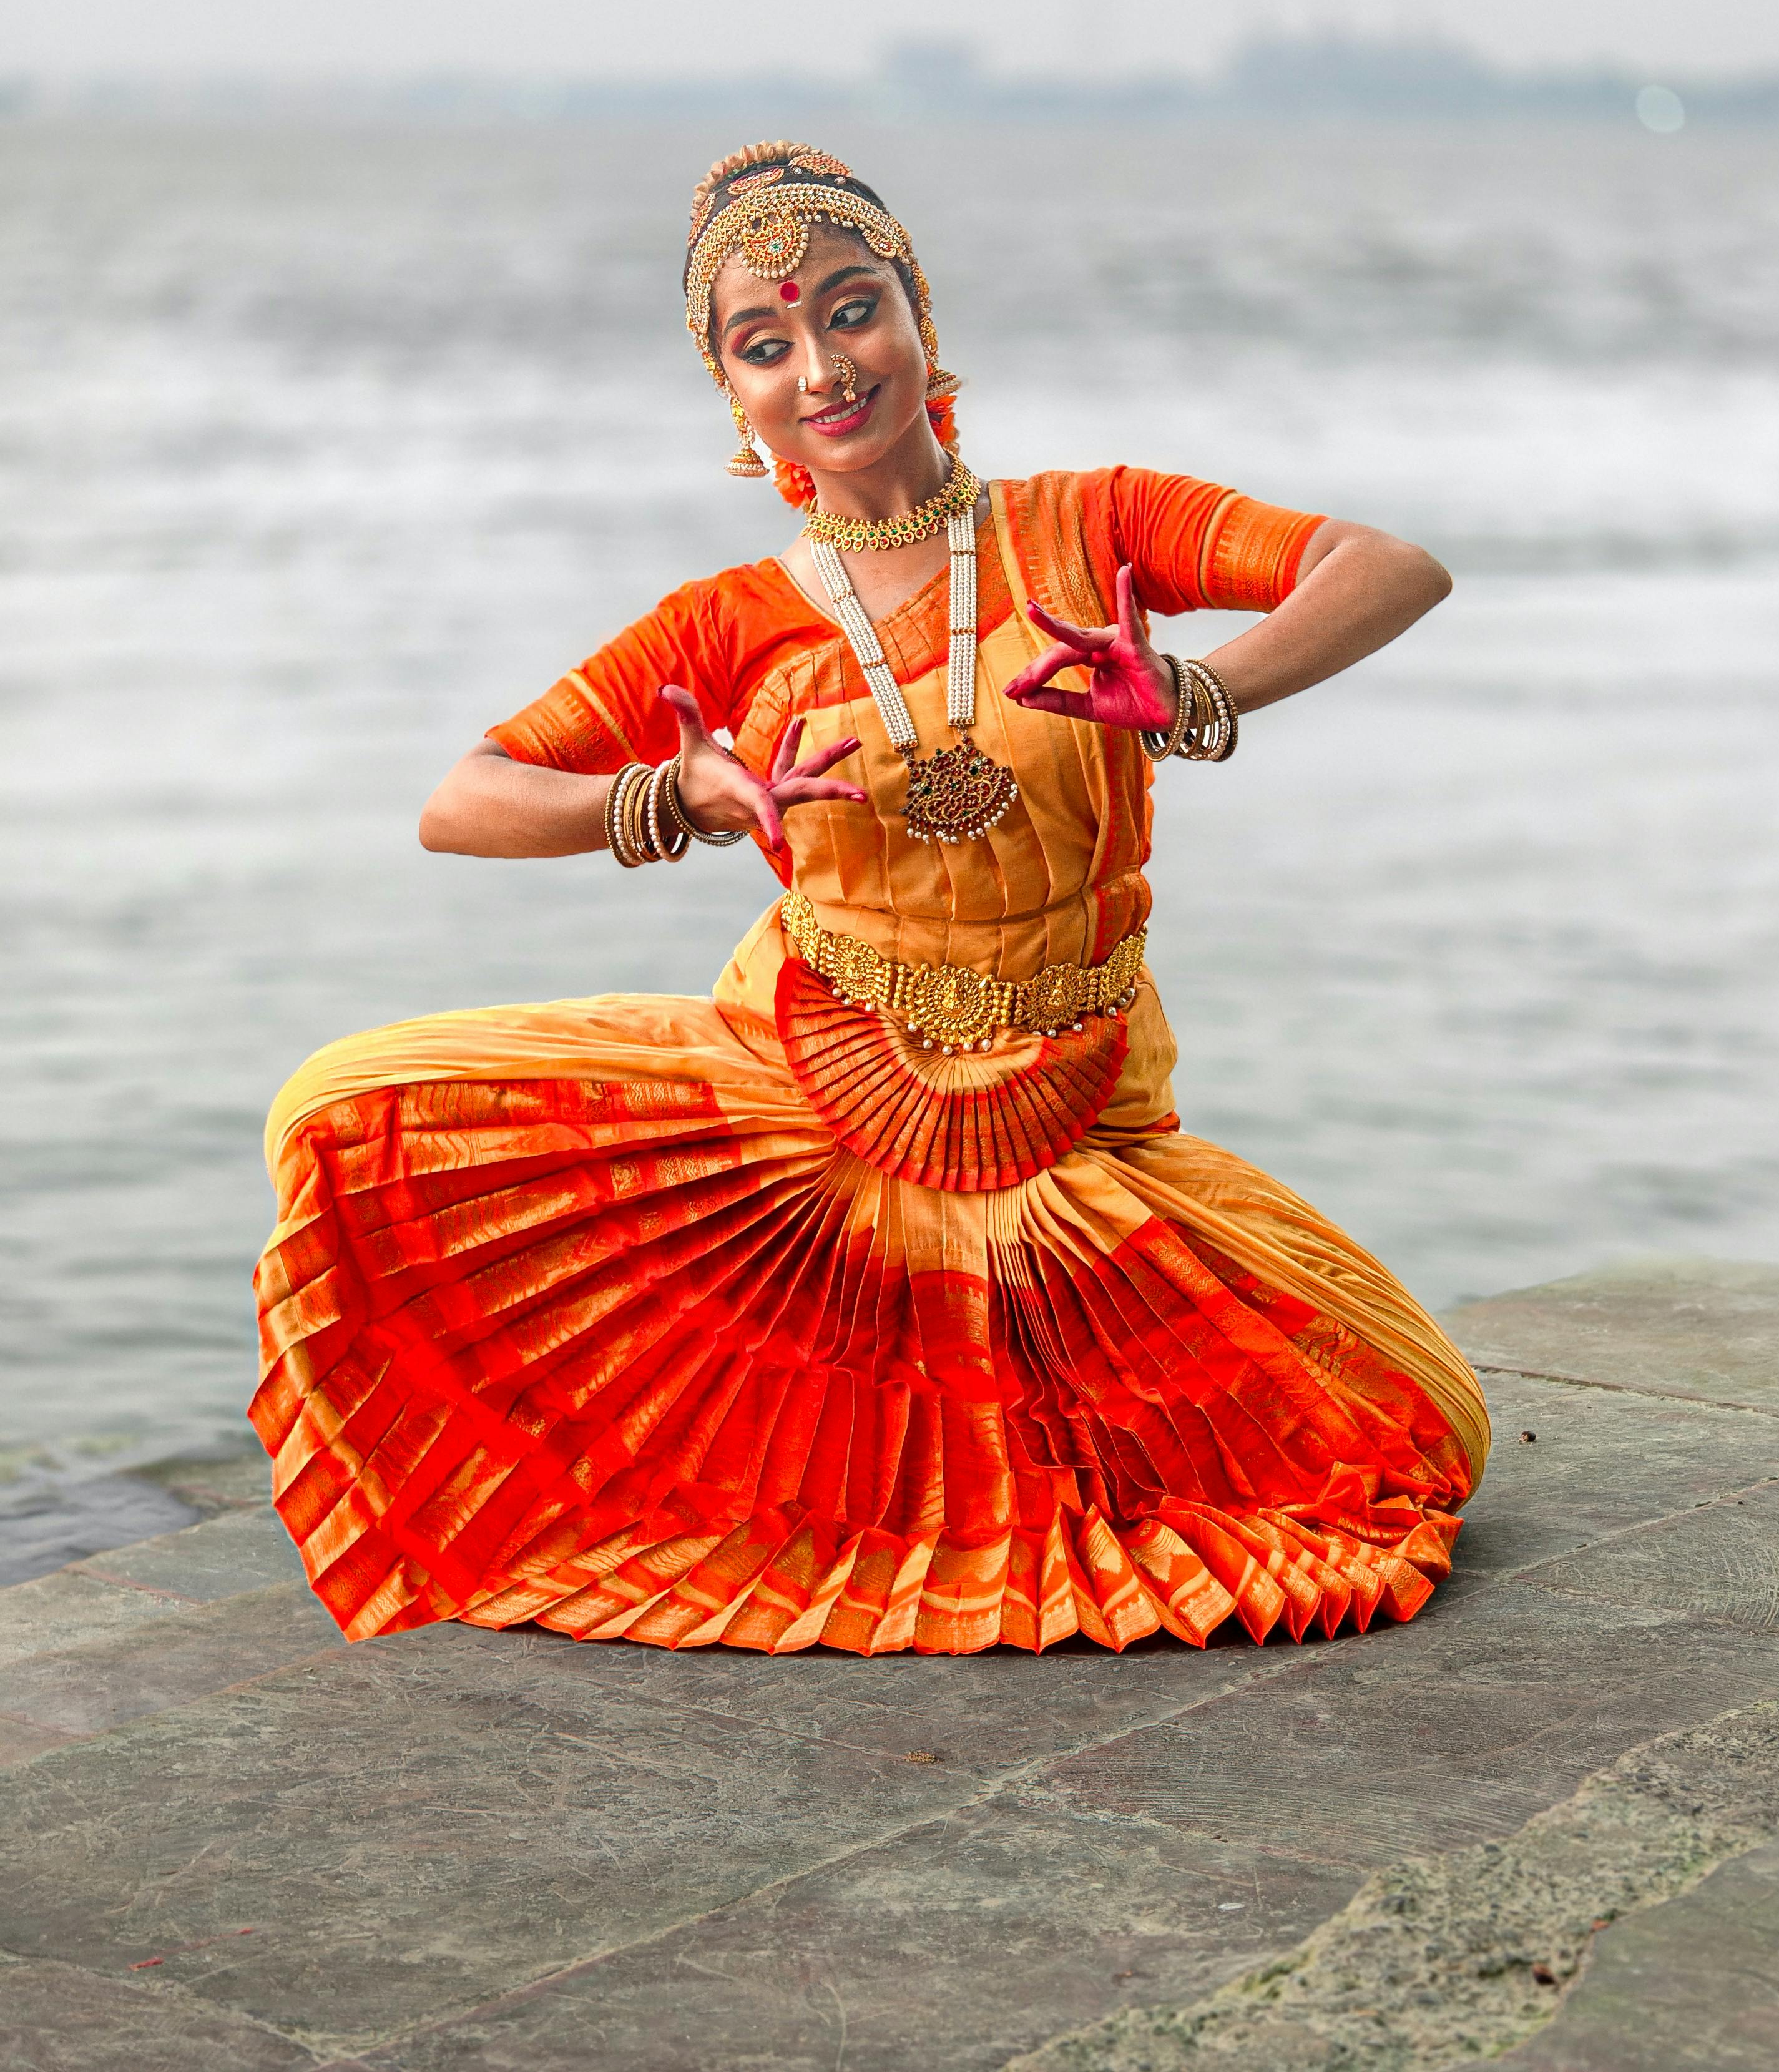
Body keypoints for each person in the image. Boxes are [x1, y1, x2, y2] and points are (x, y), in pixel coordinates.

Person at [252, 140, 1488, 1657]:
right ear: (733, 393)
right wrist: (666, 796)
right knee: (349, 1107)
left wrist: (1186, 687)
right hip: (819, 1099)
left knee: (1425, 1422)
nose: (824, 368)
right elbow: (463, 797)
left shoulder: (1090, 527)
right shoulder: (730, 625)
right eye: (766, 345)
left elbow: (1389, 566)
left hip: (1070, 1119)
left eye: (854, 311)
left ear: (920, 320)